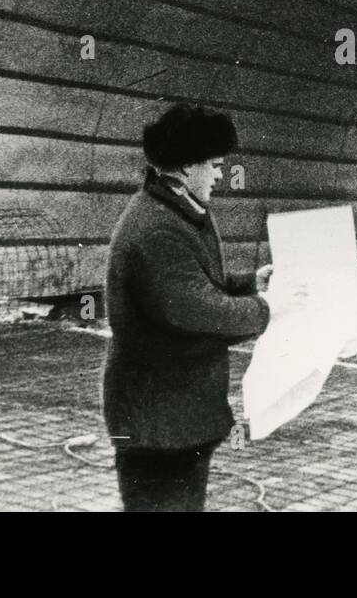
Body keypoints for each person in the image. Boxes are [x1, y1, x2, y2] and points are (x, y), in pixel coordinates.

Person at [103, 103, 281, 512]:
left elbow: (198, 283)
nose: (220, 175)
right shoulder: (156, 228)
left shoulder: (178, 211)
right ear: (186, 168)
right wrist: (268, 308)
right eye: (214, 165)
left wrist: (251, 283)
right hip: (156, 420)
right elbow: (197, 311)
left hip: (177, 413)